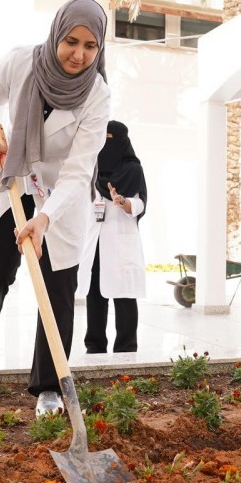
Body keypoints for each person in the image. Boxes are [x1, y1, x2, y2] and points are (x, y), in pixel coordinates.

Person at [0, 0, 110, 416]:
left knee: (57, 291)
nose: (78, 55)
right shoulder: (21, 61)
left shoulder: (97, 94)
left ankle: (49, 387)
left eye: (90, 46)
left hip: (59, 196)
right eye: (71, 41)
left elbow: (79, 170)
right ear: (56, 33)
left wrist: (45, 217)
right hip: (16, 178)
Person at [78, 121, 147, 354]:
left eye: (111, 138)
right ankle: (94, 346)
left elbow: (140, 202)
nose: (107, 144)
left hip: (121, 242)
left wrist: (123, 202)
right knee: (95, 295)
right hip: (95, 242)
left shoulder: (133, 170)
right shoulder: (92, 167)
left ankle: (126, 348)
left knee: (125, 296)